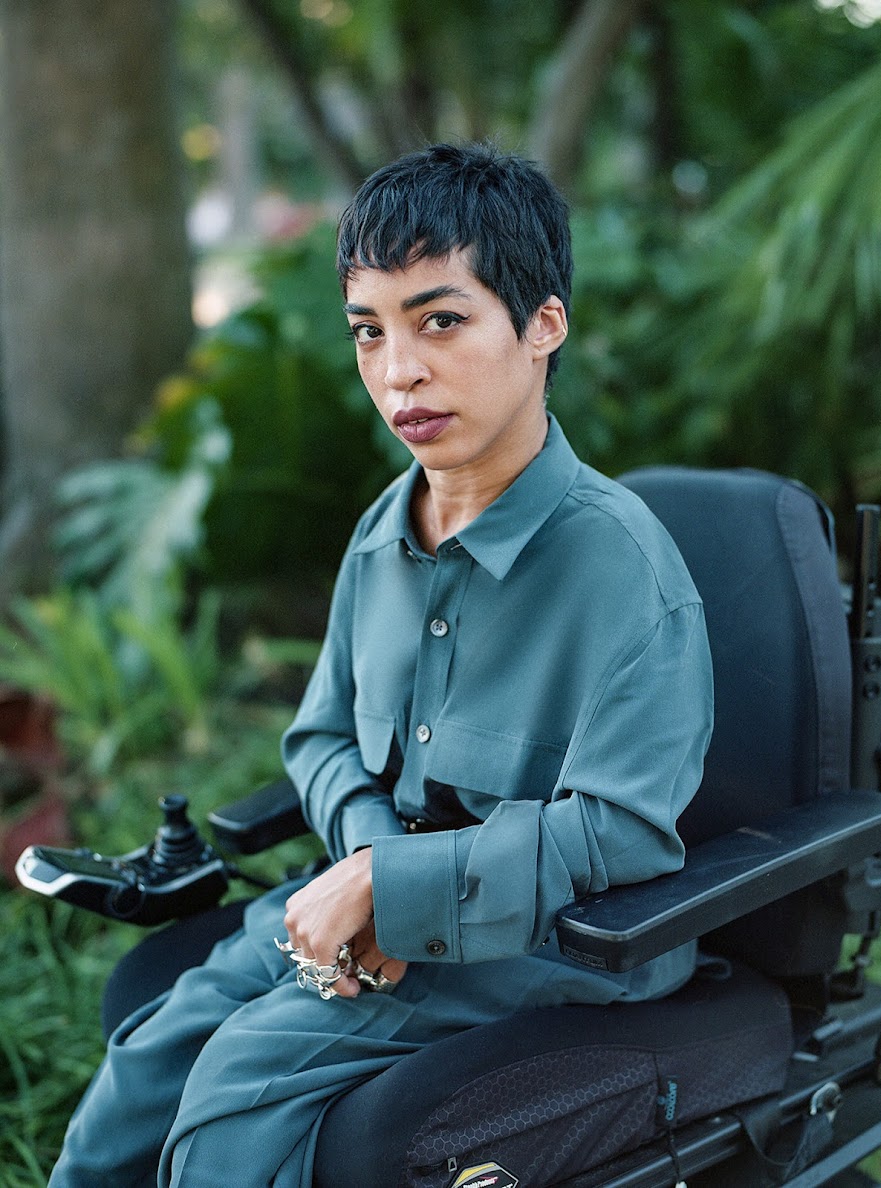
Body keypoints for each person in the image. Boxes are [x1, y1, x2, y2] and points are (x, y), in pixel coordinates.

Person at [50, 142, 713, 1187]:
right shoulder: (382, 532)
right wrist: (366, 870)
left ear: (542, 325)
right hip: (374, 900)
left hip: (544, 948)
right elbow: (318, 736)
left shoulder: (624, 569)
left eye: (439, 321)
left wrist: (394, 889)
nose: (397, 370)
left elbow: (621, 831)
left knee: (233, 1093)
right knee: (151, 1063)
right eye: (370, 331)